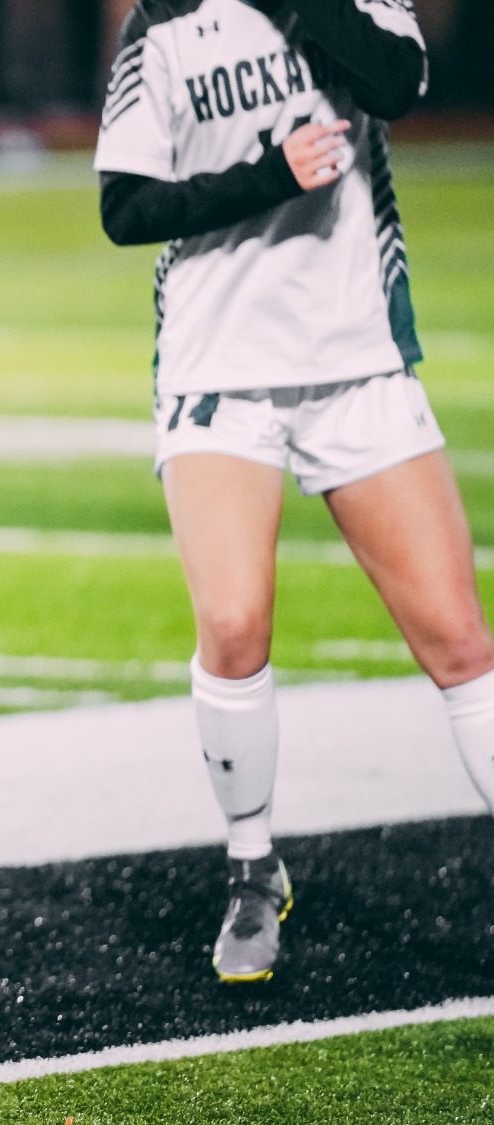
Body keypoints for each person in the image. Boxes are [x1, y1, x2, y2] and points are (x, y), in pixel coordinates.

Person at [95, 0, 490, 983]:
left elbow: (398, 84)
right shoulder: (161, 23)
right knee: (232, 626)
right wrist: (267, 177)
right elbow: (125, 208)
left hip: (357, 361)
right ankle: (250, 868)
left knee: (458, 640)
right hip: (218, 370)